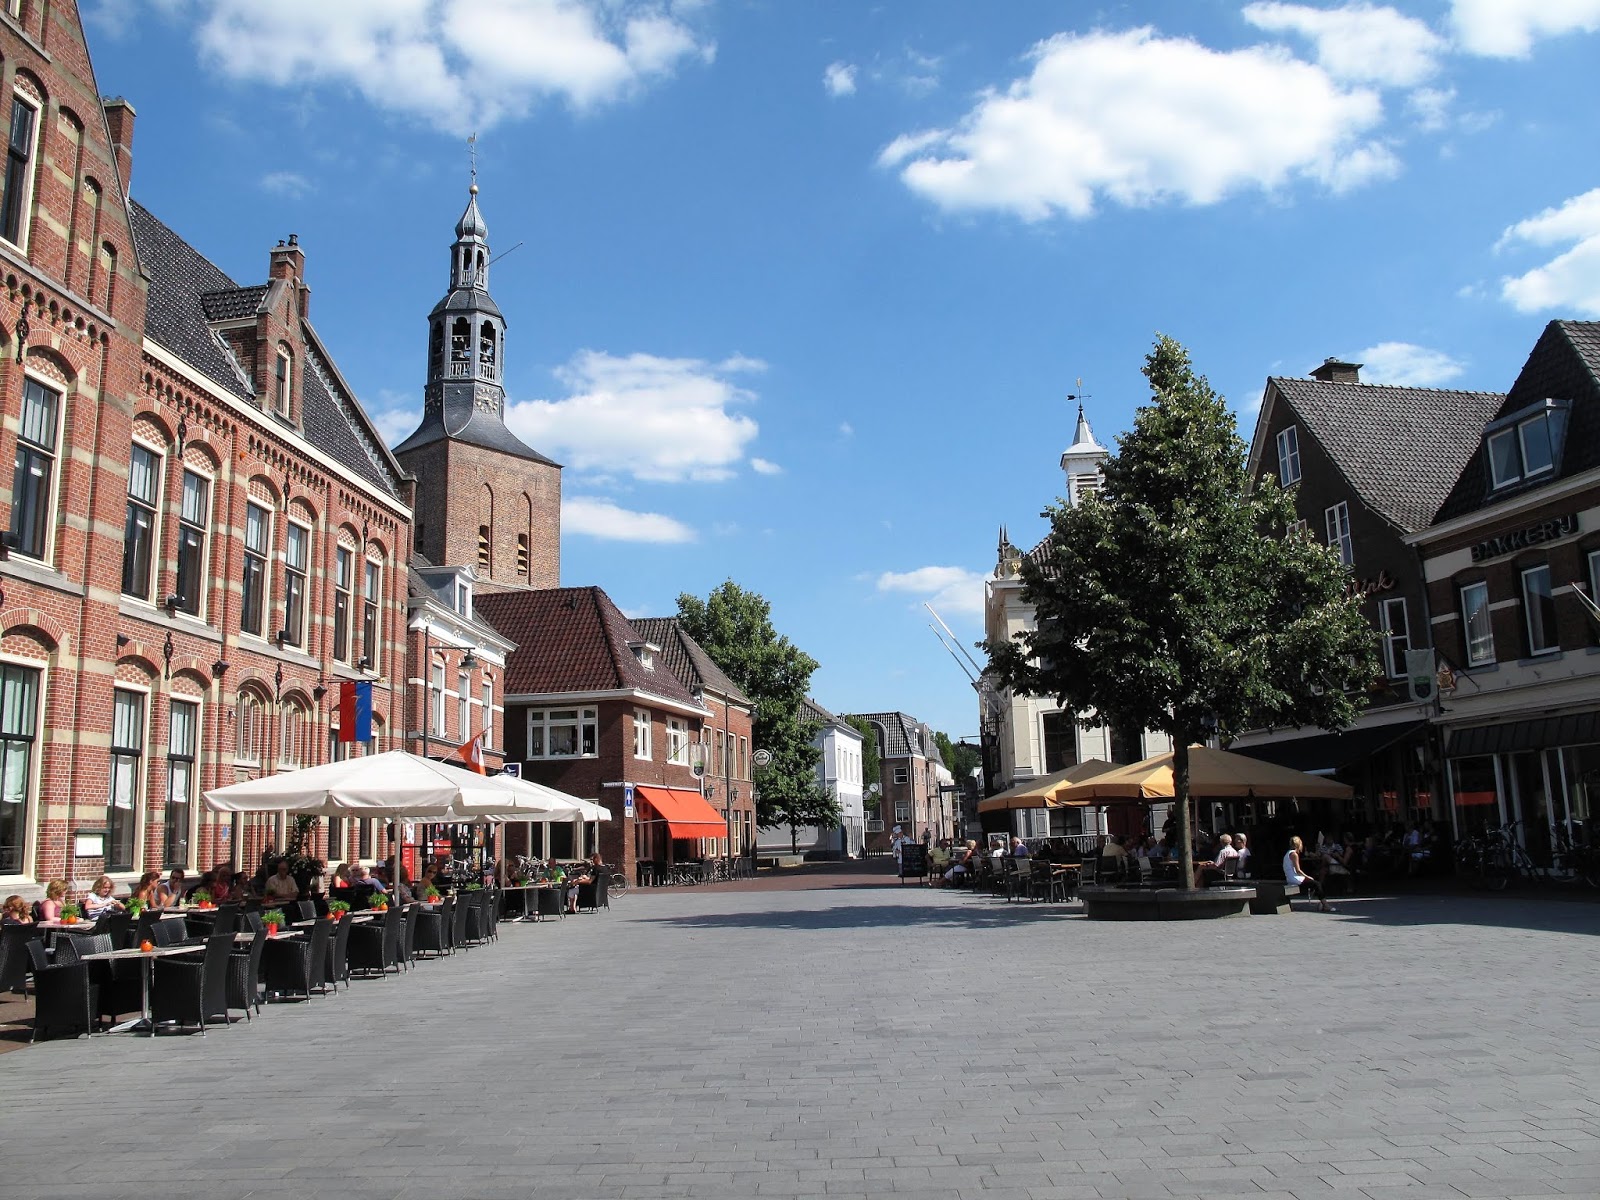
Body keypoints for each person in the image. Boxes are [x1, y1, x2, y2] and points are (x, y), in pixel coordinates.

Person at [1284, 835, 1333, 912]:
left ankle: (1323, 903)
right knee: (1317, 884)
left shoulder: (1288, 853)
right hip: (1295, 879)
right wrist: (1308, 877)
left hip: (1291, 878)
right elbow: (1298, 870)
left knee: (1315, 883)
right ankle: (1325, 905)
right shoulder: (1294, 854)